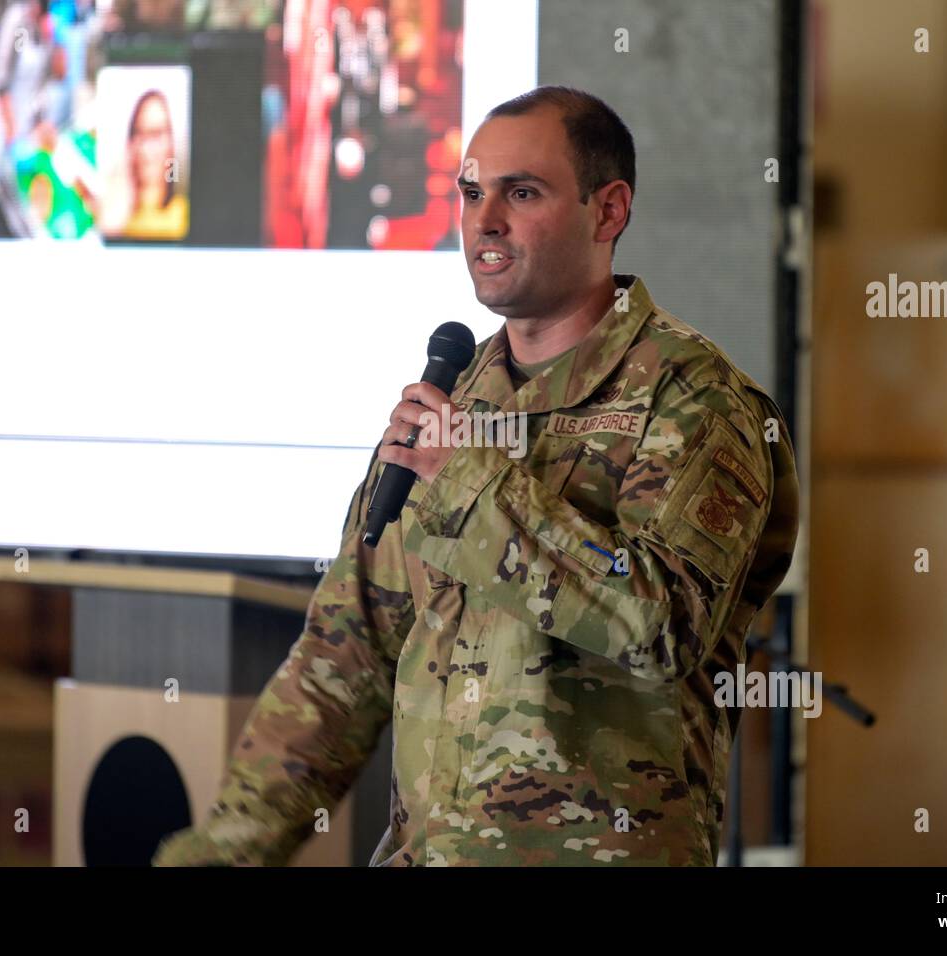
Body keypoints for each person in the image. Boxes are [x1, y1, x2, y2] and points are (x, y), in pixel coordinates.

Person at [154, 86, 800, 867]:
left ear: (609, 212)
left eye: (521, 193)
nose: (483, 221)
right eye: (470, 193)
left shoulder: (693, 399)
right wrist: (219, 855)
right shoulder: (450, 405)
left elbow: (660, 625)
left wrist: (466, 487)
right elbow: (343, 662)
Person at [102, 89, 188, 240]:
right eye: (138, 133)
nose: (146, 148)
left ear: (171, 143)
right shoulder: (113, 211)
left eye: (156, 134)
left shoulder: (182, 213)